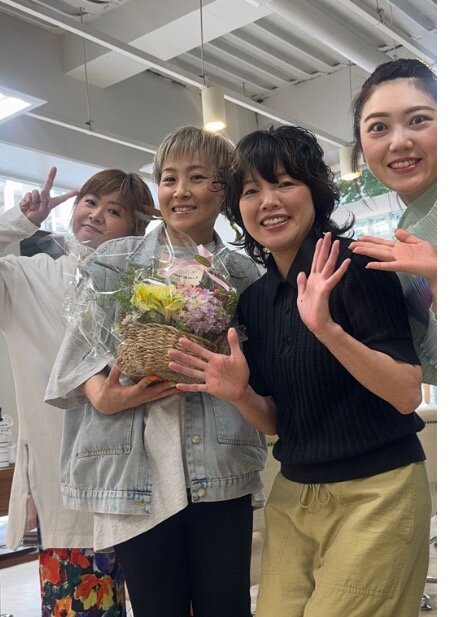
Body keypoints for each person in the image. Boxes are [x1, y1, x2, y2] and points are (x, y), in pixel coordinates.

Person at [167, 125, 432, 617]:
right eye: (251, 191)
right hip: (293, 495)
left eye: (285, 183)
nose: (268, 202)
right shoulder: (255, 299)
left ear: (315, 191)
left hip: (377, 492)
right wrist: (240, 394)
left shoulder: (355, 266)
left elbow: (405, 392)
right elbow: (275, 422)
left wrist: (327, 329)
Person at [45, 126, 267, 617]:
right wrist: (102, 395)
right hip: (135, 468)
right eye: (169, 178)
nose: (180, 191)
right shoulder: (114, 262)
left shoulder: (244, 275)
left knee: (227, 606)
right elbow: (79, 350)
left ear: (224, 190)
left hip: (220, 465)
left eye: (197, 177)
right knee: (156, 607)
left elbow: (261, 372)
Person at [0, 166, 156, 616]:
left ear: (136, 227)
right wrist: (20, 221)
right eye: (90, 202)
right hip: (66, 489)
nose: (96, 215)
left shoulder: (149, 288)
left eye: (114, 210)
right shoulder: (28, 279)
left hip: (145, 486)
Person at [349, 58, 437, 386]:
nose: (399, 142)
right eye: (378, 128)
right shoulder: (406, 244)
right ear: (361, 147)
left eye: (418, 120)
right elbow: (435, 368)